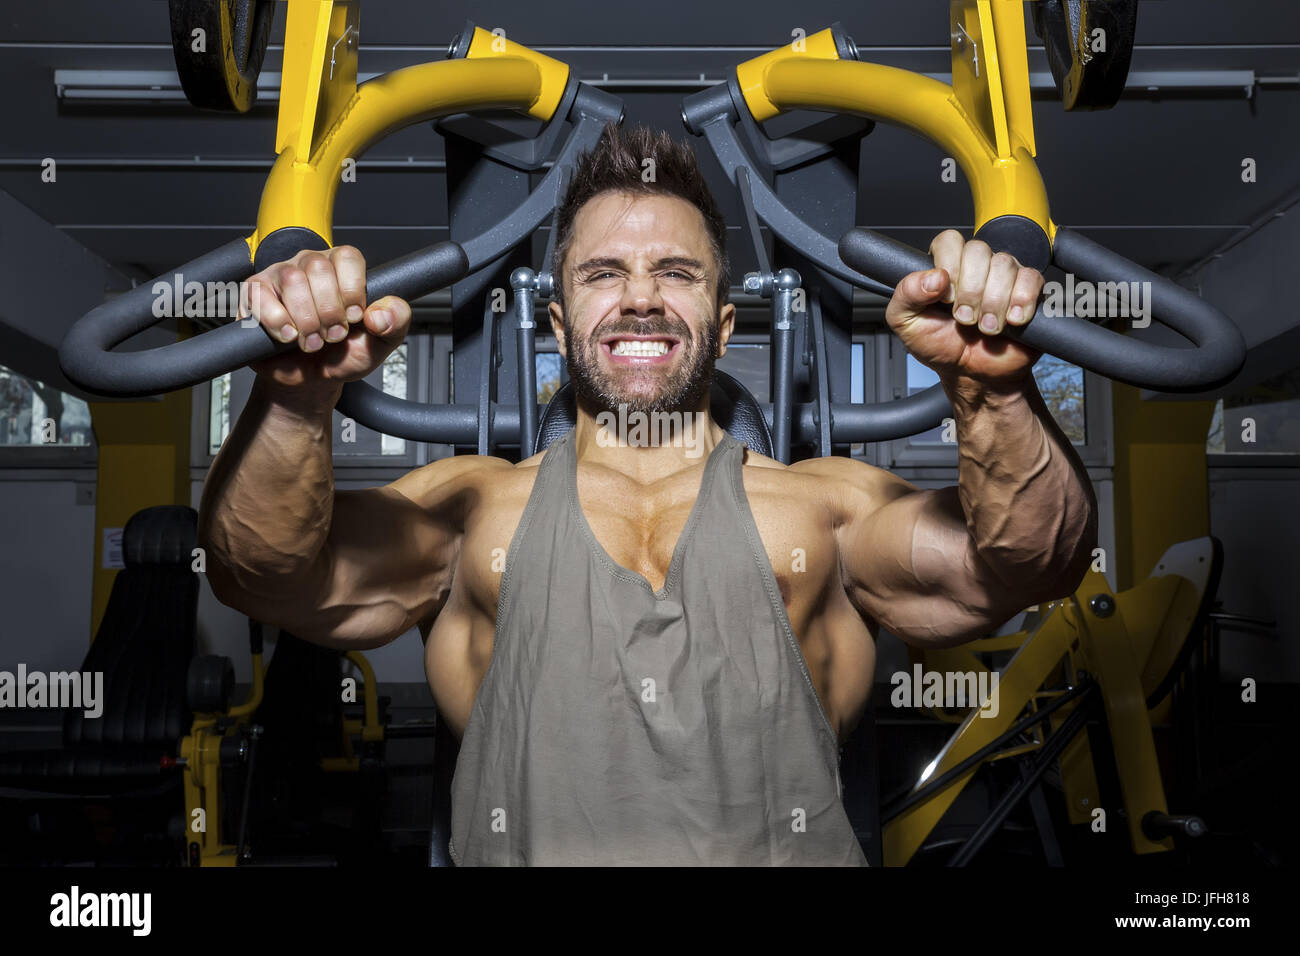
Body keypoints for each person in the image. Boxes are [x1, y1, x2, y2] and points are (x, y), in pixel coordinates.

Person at [198, 123, 1097, 865]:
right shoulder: (474, 509)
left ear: (723, 318)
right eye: (601, 275)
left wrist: (993, 392)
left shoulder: (824, 509)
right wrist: (294, 398)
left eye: (676, 274)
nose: (640, 300)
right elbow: (264, 576)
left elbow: (1033, 563)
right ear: (557, 324)